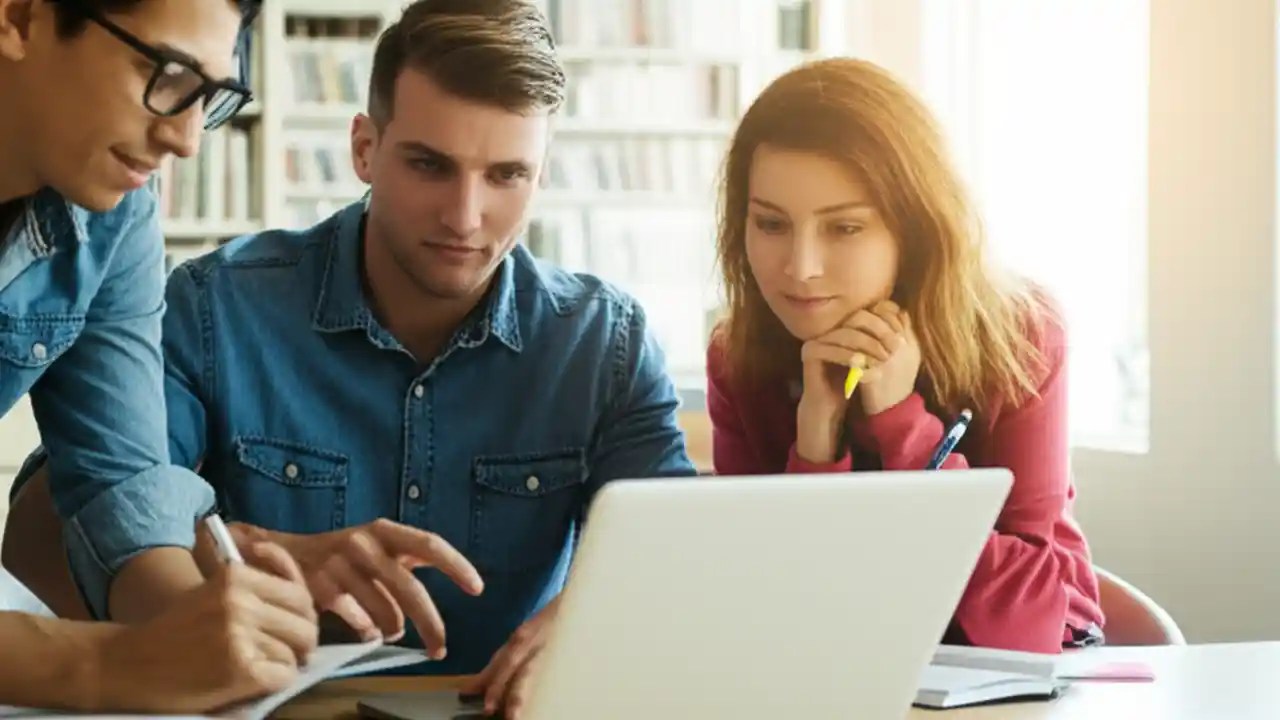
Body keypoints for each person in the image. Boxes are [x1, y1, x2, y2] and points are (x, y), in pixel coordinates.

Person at [6, 0, 695, 715]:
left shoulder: (603, 342)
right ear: (364, 149)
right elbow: (55, 528)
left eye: (506, 176)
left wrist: (593, 627)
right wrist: (231, 559)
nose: (464, 216)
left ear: (542, 176)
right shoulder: (215, 309)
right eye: (430, 166)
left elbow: (686, 559)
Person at [704, 58, 1105, 653]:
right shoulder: (738, 357)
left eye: (843, 229)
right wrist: (816, 444)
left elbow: (1030, 625)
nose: (800, 268)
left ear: (914, 229)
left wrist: (904, 427)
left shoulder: (1022, 333)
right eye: (770, 223)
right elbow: (773, 616)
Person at [0, 0, 323, 712]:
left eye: (211, 97)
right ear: (20, 17)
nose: (186, 141)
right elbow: (112, 662)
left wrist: (216, 636)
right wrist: (116, 661)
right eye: (168, 74)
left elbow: (119, 486)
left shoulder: (113, 213)